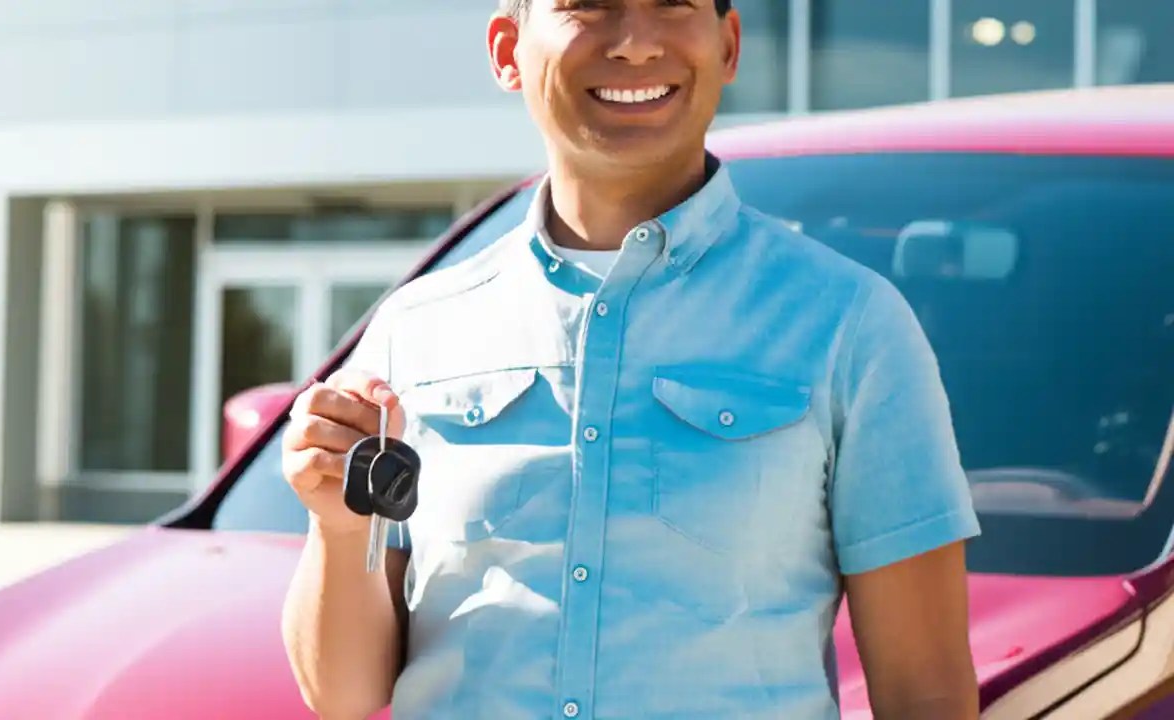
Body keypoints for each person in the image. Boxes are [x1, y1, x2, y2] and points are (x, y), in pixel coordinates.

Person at [280, 0, 982, 718]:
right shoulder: (415, 329)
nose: (638, 44)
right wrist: (337, 529)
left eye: (673, 4)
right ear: (506, 50)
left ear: (729, 45)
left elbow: (924, 689)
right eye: (589, 5)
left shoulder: (850, 324)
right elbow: (343, 696)